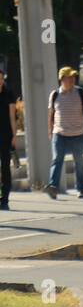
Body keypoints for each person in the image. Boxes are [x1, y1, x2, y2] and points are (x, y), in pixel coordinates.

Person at [46, 66, 83, 199]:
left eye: (73, 77)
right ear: (62, 79)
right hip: (59, 134)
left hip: (78, 134)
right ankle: (53, 187)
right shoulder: (54, 95)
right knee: (57, 160)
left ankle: (81, 189)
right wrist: (50, 130)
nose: (72, 80)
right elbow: (51, 115)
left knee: (79, 162)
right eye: (69, 78)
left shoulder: (81, 93)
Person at [0, 68, 16, 210]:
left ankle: (4, 199)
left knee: (5, 168)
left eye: (1, 79)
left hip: (5, 135)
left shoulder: (8, 93)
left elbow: (12, 117)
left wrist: (14, 136)